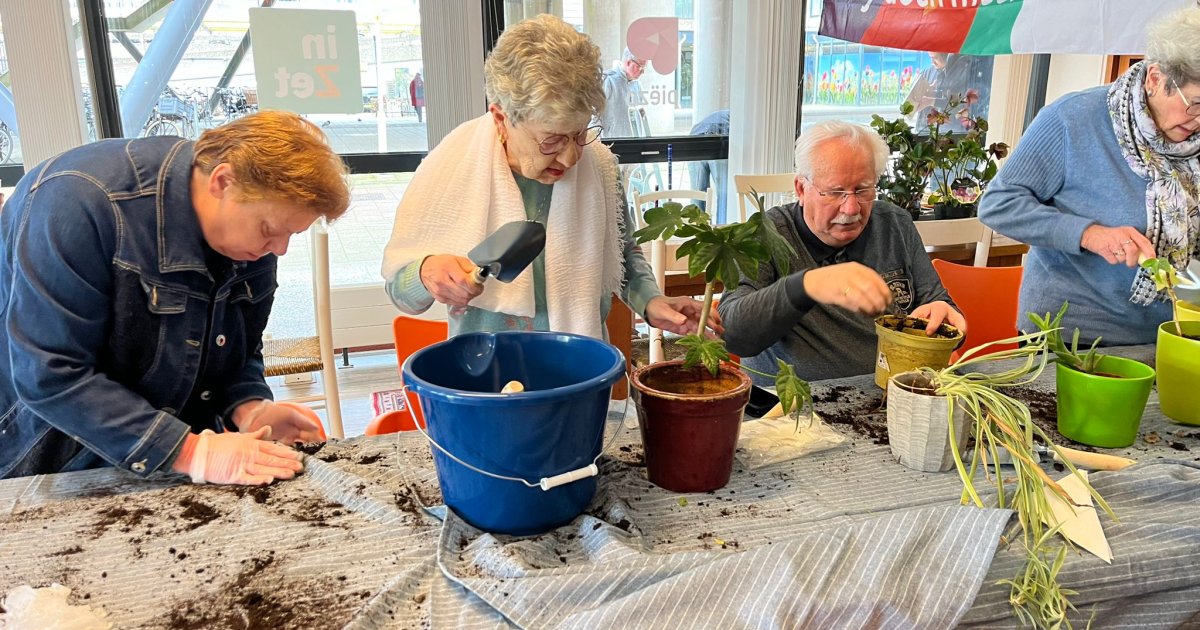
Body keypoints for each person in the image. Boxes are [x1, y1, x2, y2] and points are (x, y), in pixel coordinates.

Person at [0, 111, 351, 484]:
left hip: (179, 446)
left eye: (290, 235)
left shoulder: (254, 240)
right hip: (56, 453)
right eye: (269, 230)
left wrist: (249, 407)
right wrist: (193, 453)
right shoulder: (78, 202)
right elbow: (50, 374)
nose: (278, 250)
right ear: (223, 181)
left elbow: (237, 347)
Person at [381, 15, 718, 342]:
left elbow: (622, 254)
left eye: (581, 133)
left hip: (580, 367)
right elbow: (400, 290)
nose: (571, 157)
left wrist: (651, 302)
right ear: (500, 118)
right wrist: (426, 273)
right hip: (486, 377)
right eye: (552, 140)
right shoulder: (452, 165)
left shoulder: (599, 165)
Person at [979, 6, 1200, 347]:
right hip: (1070, 335)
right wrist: (1089, 234)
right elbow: (998, 204)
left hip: (1168, 333)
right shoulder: (1074, 119)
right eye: (1196, 104)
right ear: (1156, 78)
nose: (1199, 120)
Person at [718, 120, 965, 383]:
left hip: (888, 399)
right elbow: (733, 335)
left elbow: (938, 306)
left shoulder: (895, 224)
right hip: (792, 411)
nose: (851, 208)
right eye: (835, 192)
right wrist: (806, 285)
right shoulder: (767, 233)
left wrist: (945, 317)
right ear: (801, 188)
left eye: (862, 190)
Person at [905, 52, 992, 132]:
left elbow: (963, 103)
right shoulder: (928, 73)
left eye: (935, 58)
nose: (932, 62)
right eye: (930, 57)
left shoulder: (965, 70)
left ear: (946, 55)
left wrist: (932, 100)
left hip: (954, 132)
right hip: (930, 131)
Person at [688, 109, 730, 224]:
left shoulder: (726, 114)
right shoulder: (740, 118)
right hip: (719, 139)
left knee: (698, 196)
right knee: (724, 196)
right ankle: (723, 234)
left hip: (696, 136)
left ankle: (697, 234)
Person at [598, 48, 647, 138]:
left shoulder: (637, 84)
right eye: (640, 67)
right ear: (628, 62)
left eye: (644, 68)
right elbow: (594, 118)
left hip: (635, 145)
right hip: (612, 146)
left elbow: (641, 117)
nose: (643, 72)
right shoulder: (607, 81)